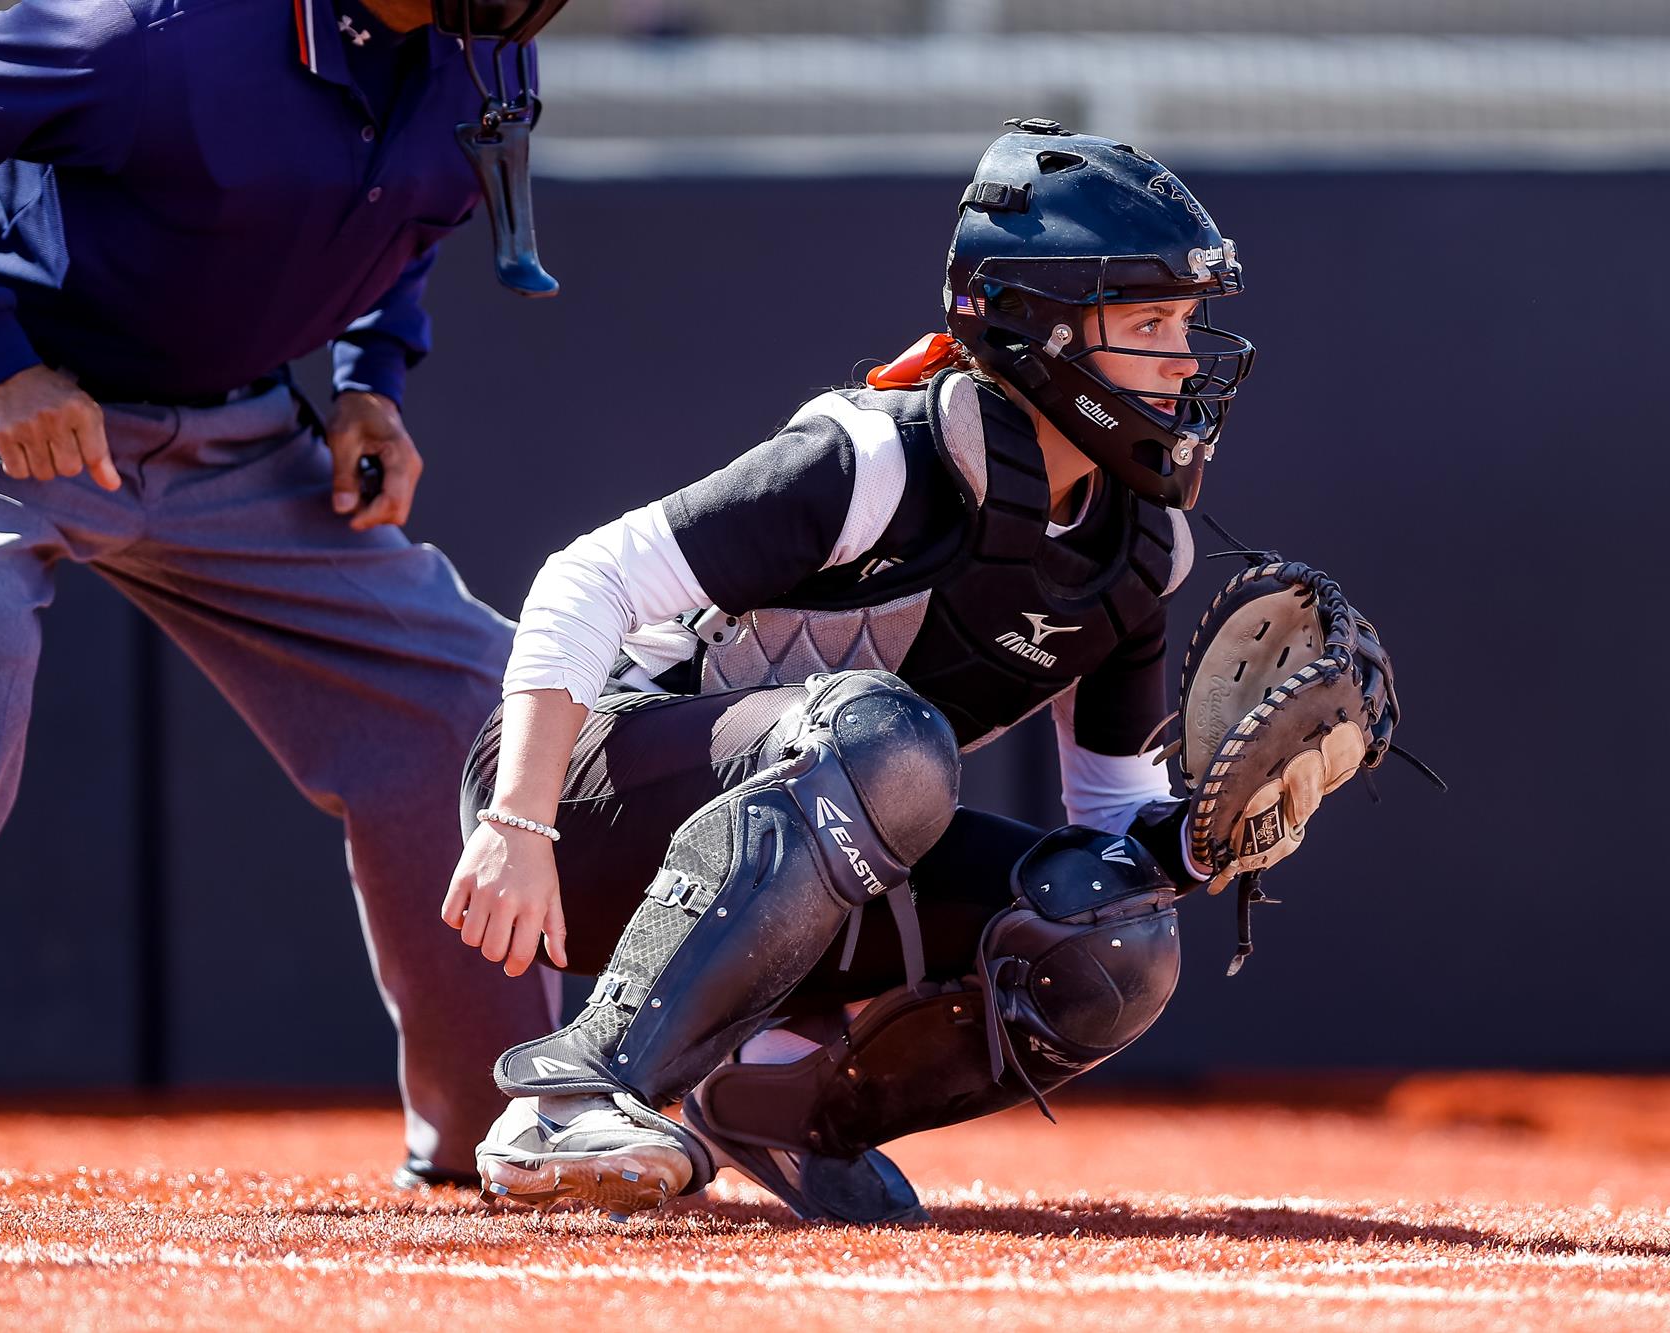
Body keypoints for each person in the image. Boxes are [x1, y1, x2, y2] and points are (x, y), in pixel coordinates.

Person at [440, 119, 1376, 1225]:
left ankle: (776, 1105)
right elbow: (581, 578)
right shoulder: (876, 458)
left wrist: (1201, 840)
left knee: (1116, 934)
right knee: (887, 742)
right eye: (1149, 322)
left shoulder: (1138, 552)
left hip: (822, 818)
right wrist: (519, 820)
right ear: (1041, 328)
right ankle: (572, 1095)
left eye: (1184, 322)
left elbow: (1112, 825)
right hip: (583, 795)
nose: (1183, 359)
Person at [0, 0, 569, 1183]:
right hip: (13, 422)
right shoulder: (146, 31)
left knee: (462, 700)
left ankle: (495, 1139)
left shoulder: (486, 40)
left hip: (238, 441)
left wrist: (370, 380)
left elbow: (409, 212)